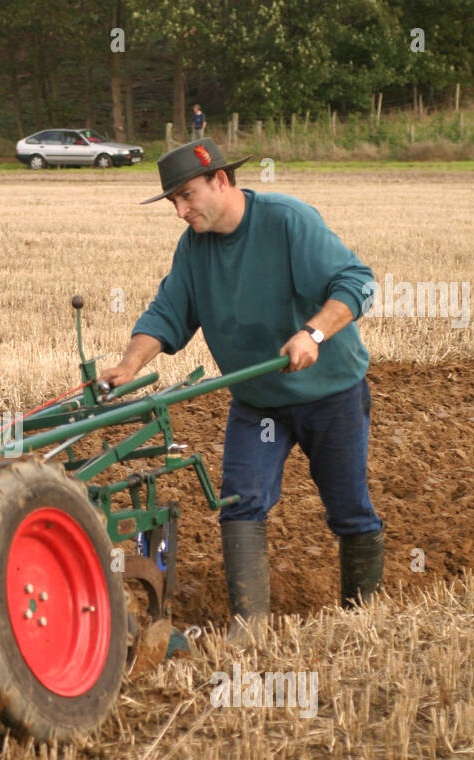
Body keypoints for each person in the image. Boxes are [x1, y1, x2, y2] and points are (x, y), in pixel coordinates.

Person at [98, 138, 384, 641]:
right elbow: (169, 312)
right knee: (239, 500)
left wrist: (312, 333)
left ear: (222, 180)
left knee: (348, 508)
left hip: (330, 392)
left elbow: (357, 282)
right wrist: (129, 364)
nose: (181, 211)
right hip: (259, 401)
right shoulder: (194, 247)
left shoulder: (285, 222)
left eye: (187, 196)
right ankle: (248, 629)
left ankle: (363, 619)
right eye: (173, 202)